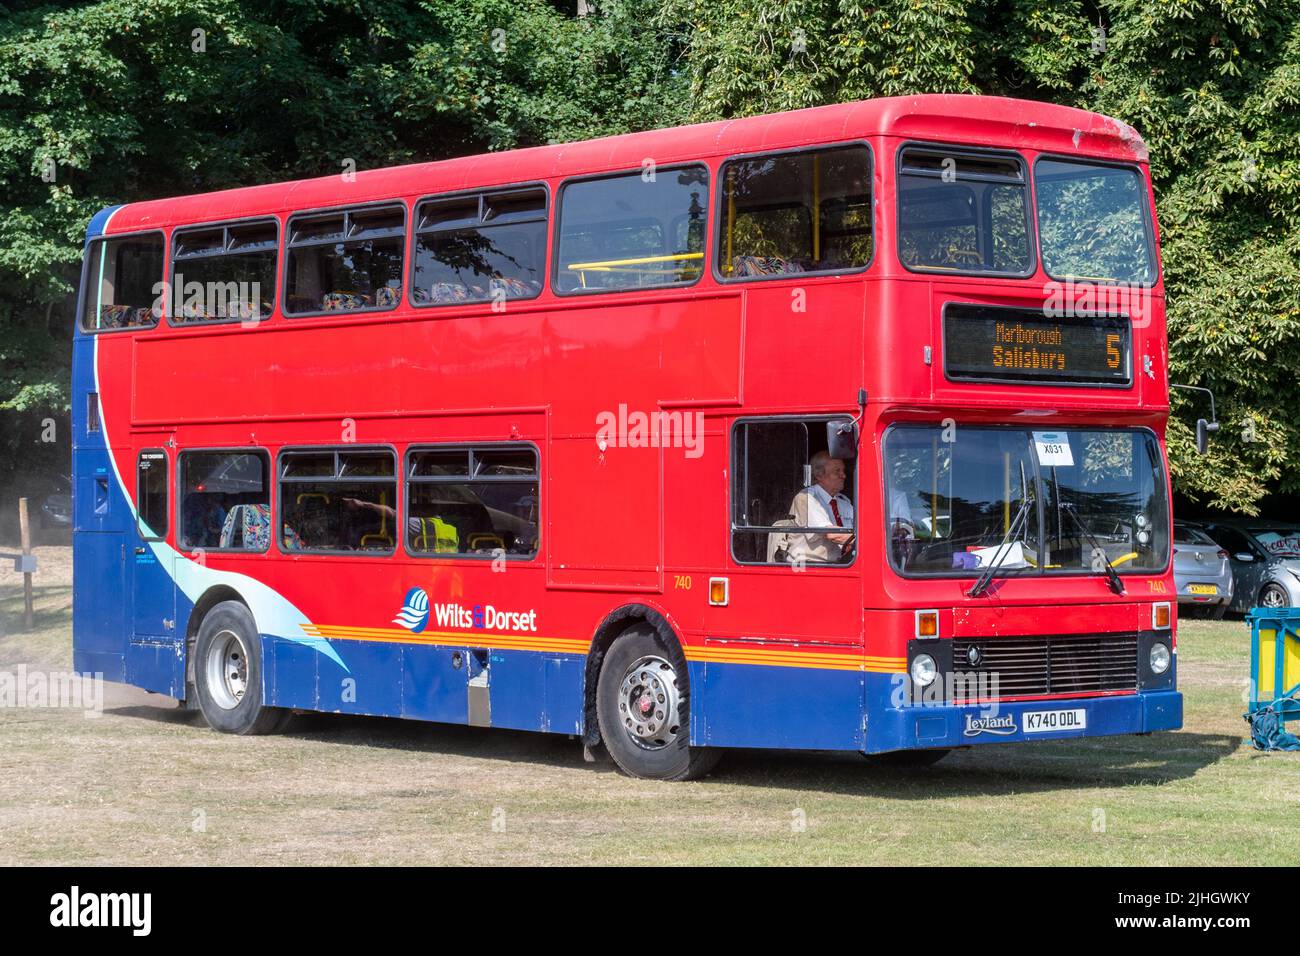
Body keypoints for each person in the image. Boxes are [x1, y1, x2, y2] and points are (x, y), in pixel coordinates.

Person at [785, 451, 855, 564]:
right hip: (810, 567)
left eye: (843, 471)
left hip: (842, 564)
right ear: (819, 476)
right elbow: (831, 533)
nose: (843, 475)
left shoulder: (844, 502)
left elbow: (859, 528)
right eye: (837, 471)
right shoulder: (807, 498)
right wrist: (860, 540)